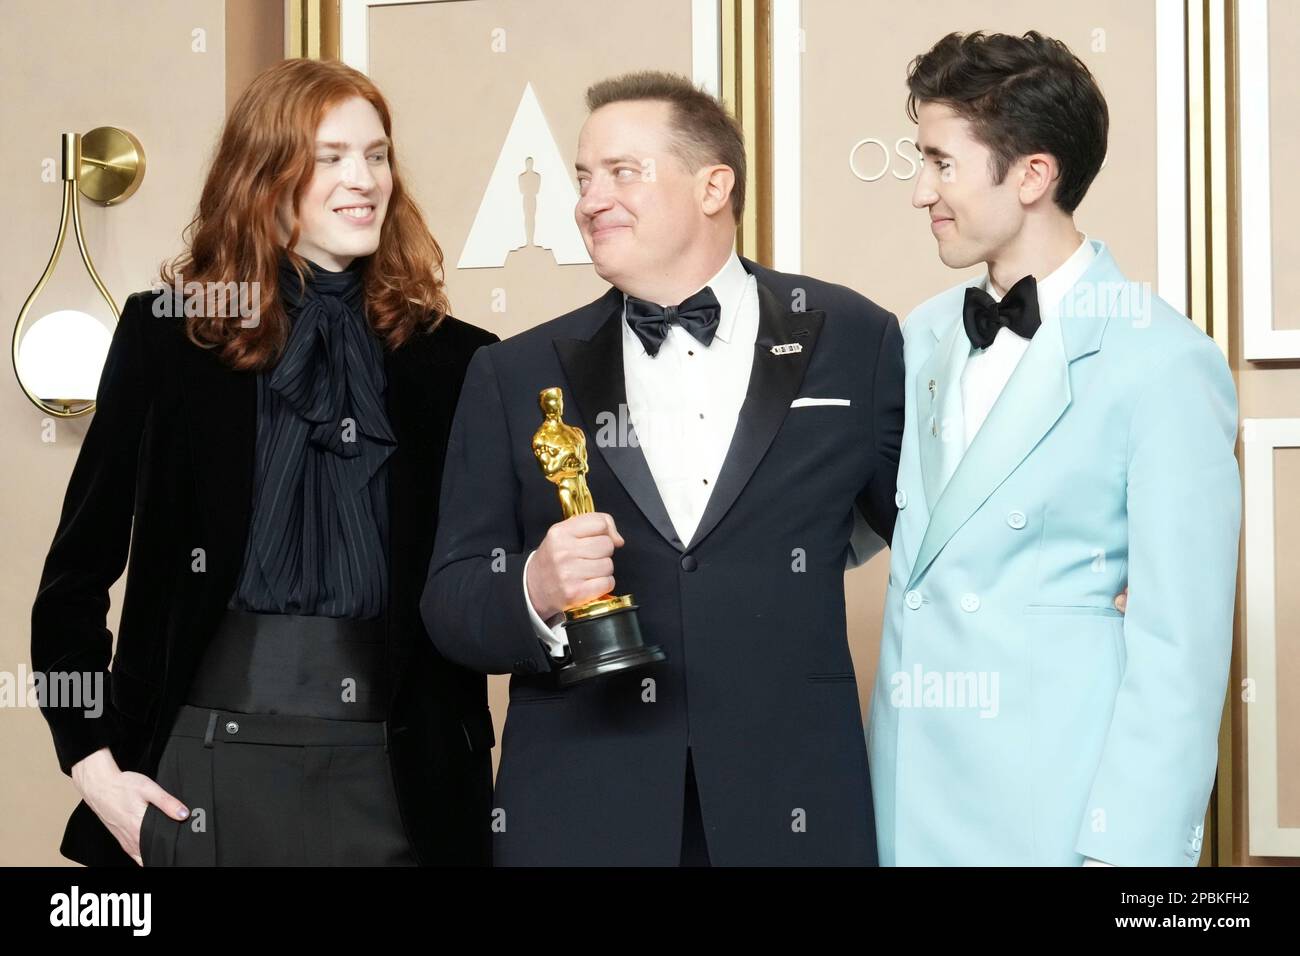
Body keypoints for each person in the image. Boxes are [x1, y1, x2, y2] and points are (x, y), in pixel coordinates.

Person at [423, 70, 903, 866]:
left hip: (793, 802)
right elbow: (450, 601)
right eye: (582, 177)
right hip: (580, 807)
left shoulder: (853, 336)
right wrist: (533, 589)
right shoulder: (511, 372)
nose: (589, 199)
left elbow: (931, 536)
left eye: (623, 172)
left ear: (715, 185)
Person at [30, 58, 497, 866]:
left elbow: (483, 583)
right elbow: (75, 575)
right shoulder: (167, 335)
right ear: (263, 174)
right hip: (198, 771)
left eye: (377, 155)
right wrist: (95, 767)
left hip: (403, 781)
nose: (365, 180)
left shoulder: (457, 362)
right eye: (330, 157)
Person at [867, 31, 1240, 866]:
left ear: (1034, 175)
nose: (920, 190)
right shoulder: (921, 335)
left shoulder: (1163, 359)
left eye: (941, 162)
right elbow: (859, 519)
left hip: (1056, 814)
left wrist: (1129, 857)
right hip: (906, 800)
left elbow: (1181, 648)